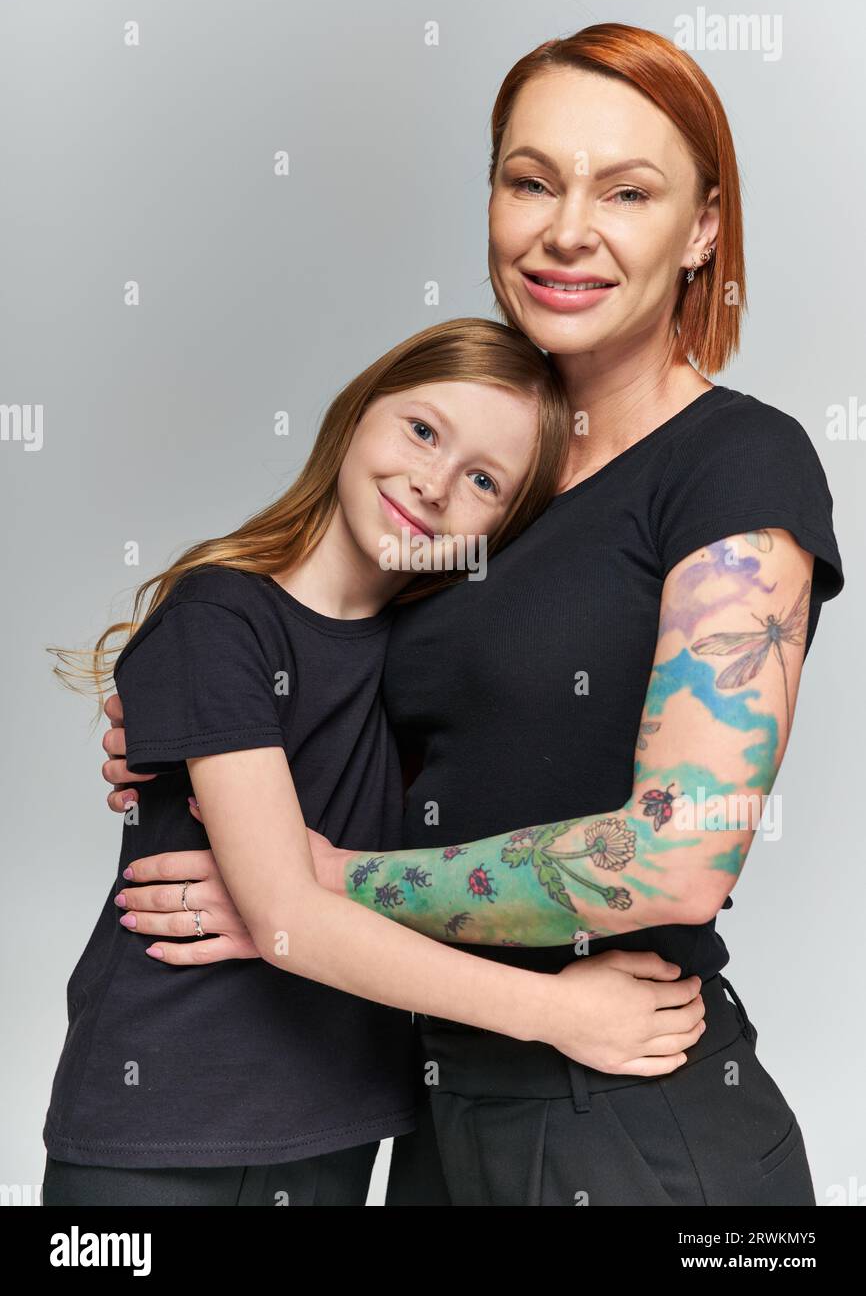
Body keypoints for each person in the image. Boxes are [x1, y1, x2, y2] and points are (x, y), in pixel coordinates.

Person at [102, 24, 844, 1207]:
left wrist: (315, 886)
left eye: (627, 191)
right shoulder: (479, 477)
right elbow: (355, 685)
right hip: (438, 1105)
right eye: (529, 179)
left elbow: (675, 855)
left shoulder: (737, 464)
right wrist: (199, 727)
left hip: (626, 1109)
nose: (565, 228)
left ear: (702, 228)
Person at [42, 317, 704, 1208]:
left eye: (482, 481)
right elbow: (288, 913)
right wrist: (563, 1015)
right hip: (163, 1126)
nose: (433, 485)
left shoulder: (423, 664)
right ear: (360, 410)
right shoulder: (221, 616)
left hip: (340, 1129)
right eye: (423, 430)